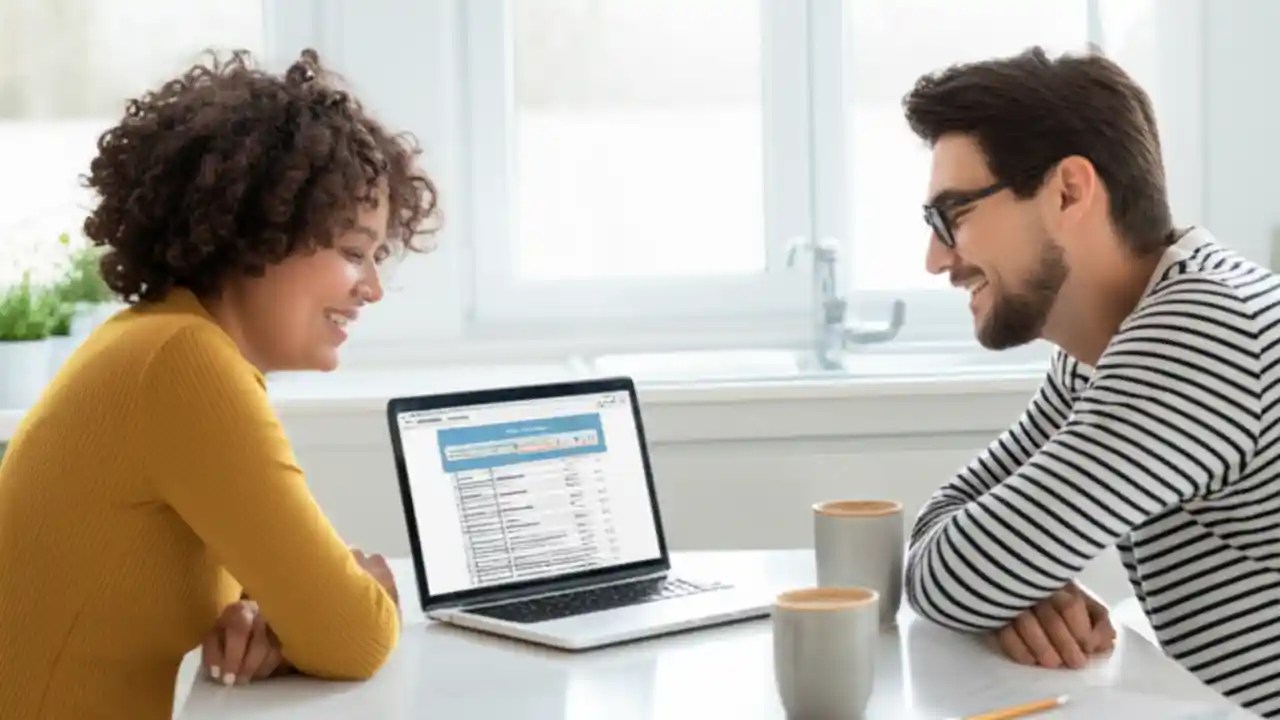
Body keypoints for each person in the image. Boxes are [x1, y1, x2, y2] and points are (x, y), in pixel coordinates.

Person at [0, 48, 439, 719]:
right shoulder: (183, 363)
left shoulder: (155, 341)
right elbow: (355, 633)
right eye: (354, 252)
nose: (373, 288)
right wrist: (361, 592)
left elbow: (290, 602)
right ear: (257, 234)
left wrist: (267, 618)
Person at [900, 46, 1280, 716]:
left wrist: (1004, 574)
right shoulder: (1108, 346)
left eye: (953, 215)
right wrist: (1016, 580)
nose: (936, 259)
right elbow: (946, 536)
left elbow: (954, 576)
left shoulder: (1203, 333)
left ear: (1069, 192)